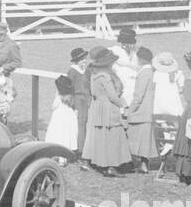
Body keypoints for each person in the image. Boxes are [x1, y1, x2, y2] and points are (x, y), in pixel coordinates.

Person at [84, 47, 130, 176]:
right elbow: (113, 96)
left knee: (102, 137)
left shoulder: (94, 76)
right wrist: (124, 103)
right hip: (109, 108)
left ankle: (101, 162)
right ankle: (111, 166)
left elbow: (94, 93)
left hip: (98, 108)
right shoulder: (106, 77)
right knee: (113, 137)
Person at [125, 46, 158, 172]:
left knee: (132, 137)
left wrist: (130, 110)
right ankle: (143, 164)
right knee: (145, 140)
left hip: (140, 112)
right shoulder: (152, 72)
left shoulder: (144, 73)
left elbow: (139, 96)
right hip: (148, 111)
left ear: (141, 59)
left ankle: (134, 162)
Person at [67, 47, 92, 162]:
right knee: (80, 125)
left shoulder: (84, 70)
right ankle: (80, 150)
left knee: (85, 123)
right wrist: (72, 104)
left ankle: (85, 148)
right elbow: (69, 89)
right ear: (77, 60)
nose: (84, 61)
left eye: (85, 59)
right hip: (78, 100)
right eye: (82, 59)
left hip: (86, 99)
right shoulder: (73, 71)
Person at [45, 75, 79, 155]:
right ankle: (64, 156)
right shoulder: (71, 97)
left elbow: (53, 107)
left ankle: (57, 153)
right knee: (66, 135)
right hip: (69, 117)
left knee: (58, 134)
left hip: (59, 117)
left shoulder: (58, 97)